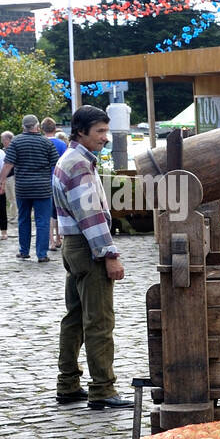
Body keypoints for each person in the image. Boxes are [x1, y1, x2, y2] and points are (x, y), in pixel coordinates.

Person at [52, 105, 130, 410]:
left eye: (106, 130)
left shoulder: (69, 160)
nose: (105, 137)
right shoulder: (79, 165)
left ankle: (68, 384)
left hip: (74, 246)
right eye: (99, 131)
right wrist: (110, 253)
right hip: (87, 247)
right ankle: (102, 389)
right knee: (98, 320)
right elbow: (92, 216)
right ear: (80, 131)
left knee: (74, 318)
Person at [4, 114, 59, 262]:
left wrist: (0, 182)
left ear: (23, 126)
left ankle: (24, 250)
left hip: (22, 187)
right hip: (42, 187)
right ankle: (42, 254)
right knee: (42, 221)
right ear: (37, 126)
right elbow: (56, 164)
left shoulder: (16, 142)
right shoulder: (46, 143)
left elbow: (8, 163)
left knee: (23, 219)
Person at [42, 118, 67, 249]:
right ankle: (59, 238)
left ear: (42, 129)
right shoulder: (62, 144)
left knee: (47, 211)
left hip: (44, 180)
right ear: (54, 129)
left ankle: (50, 240)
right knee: (58, 210)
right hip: (58, 180)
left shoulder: (40, 143)